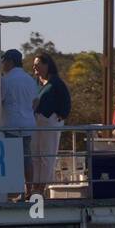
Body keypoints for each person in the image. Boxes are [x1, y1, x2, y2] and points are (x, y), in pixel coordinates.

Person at [31, 53, 72, 193]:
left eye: (37, 64)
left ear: (46, 65)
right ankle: (34, 186)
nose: (34, 67)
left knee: (47, 154)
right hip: (36, 122)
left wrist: (60, 116)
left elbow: (66, 101)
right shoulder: (37, 82)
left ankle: (42, 188)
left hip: (50, 122)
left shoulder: (56, 83)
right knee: (35, 154)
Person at [0, 49, 38, 187]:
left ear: (10, 62)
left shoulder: (6, 80)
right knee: (27, 158)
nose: (2, 65)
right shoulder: (30, 79)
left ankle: (15, 190)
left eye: (3, 61)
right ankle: (29, 188)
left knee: (11, 159)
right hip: (28, 123)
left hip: (11, 124)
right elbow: (35, 101)